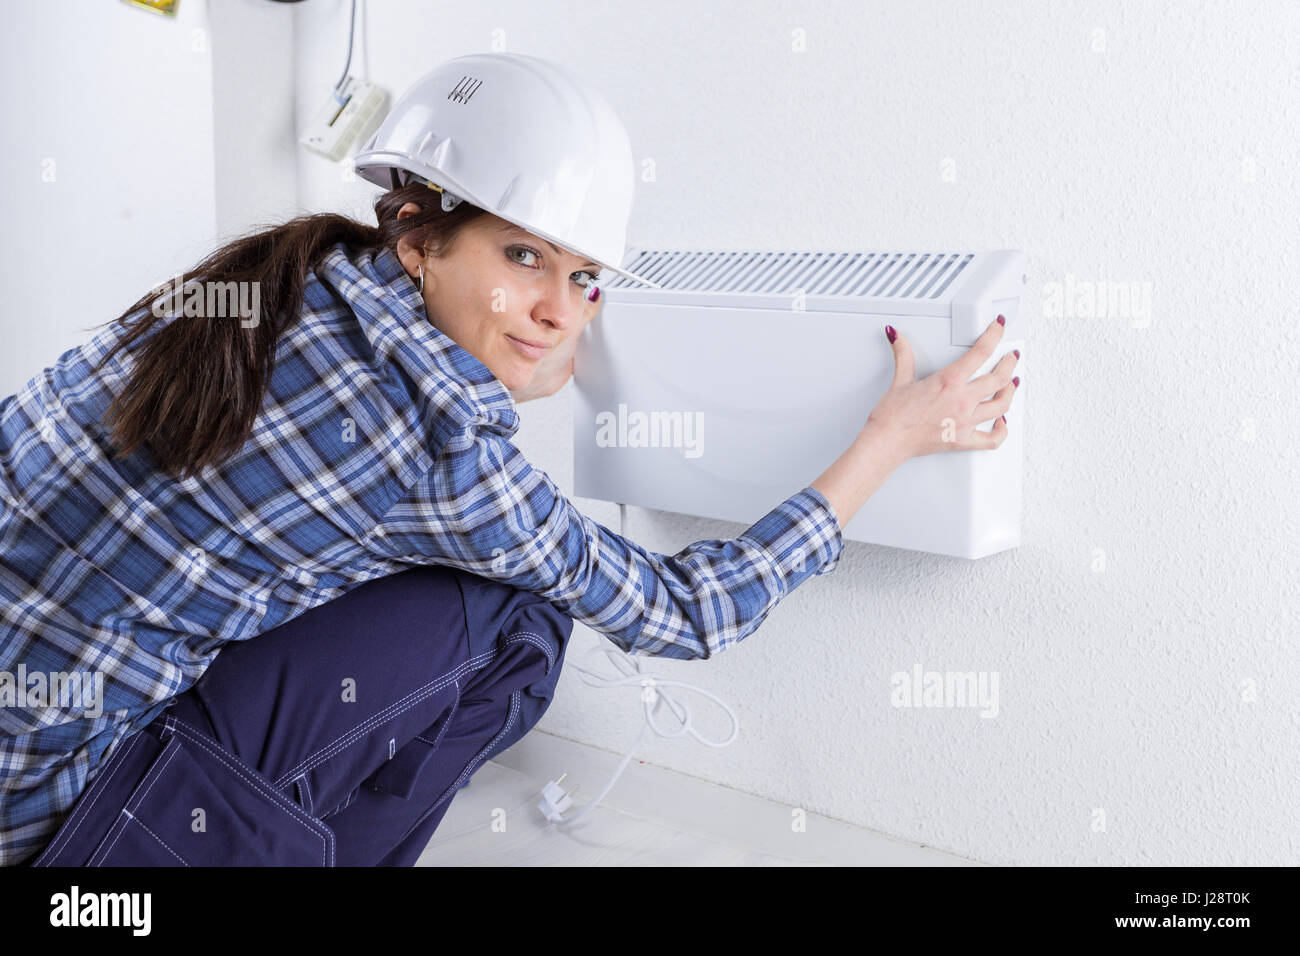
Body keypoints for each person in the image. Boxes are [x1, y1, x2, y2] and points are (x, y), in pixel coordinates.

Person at [1, 53, 1018, 867]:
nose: (555, 309)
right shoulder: (439, 450)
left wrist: (510, 363)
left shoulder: (283, 285)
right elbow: (686, 611)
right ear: (419, 235)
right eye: (522, 256)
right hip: (66, 834)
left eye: (581, 277)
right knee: (517, 611)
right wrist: (888, 440)